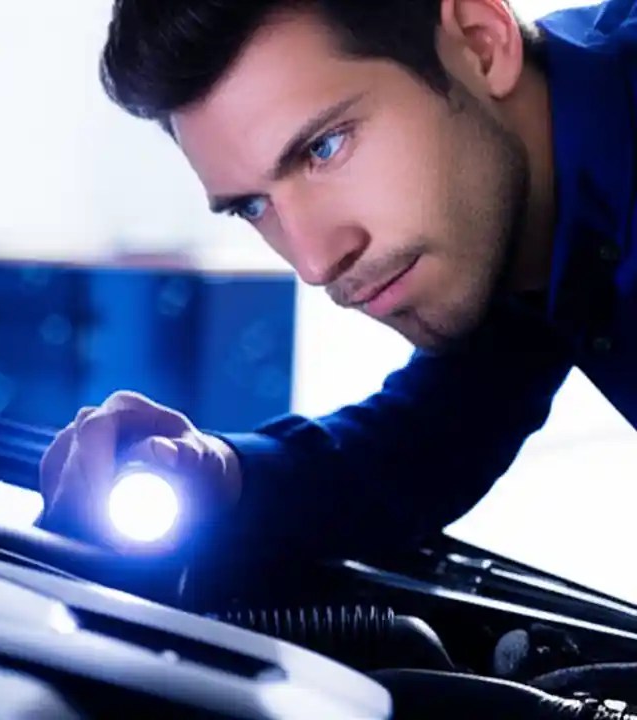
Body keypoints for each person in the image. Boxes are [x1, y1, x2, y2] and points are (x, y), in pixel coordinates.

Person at [38, 0, 637, 564]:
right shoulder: (516, 209)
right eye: (252, 206)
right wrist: (216, 473)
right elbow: (428, 440)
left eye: (325, 147)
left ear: (482, 43)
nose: (315, 263)